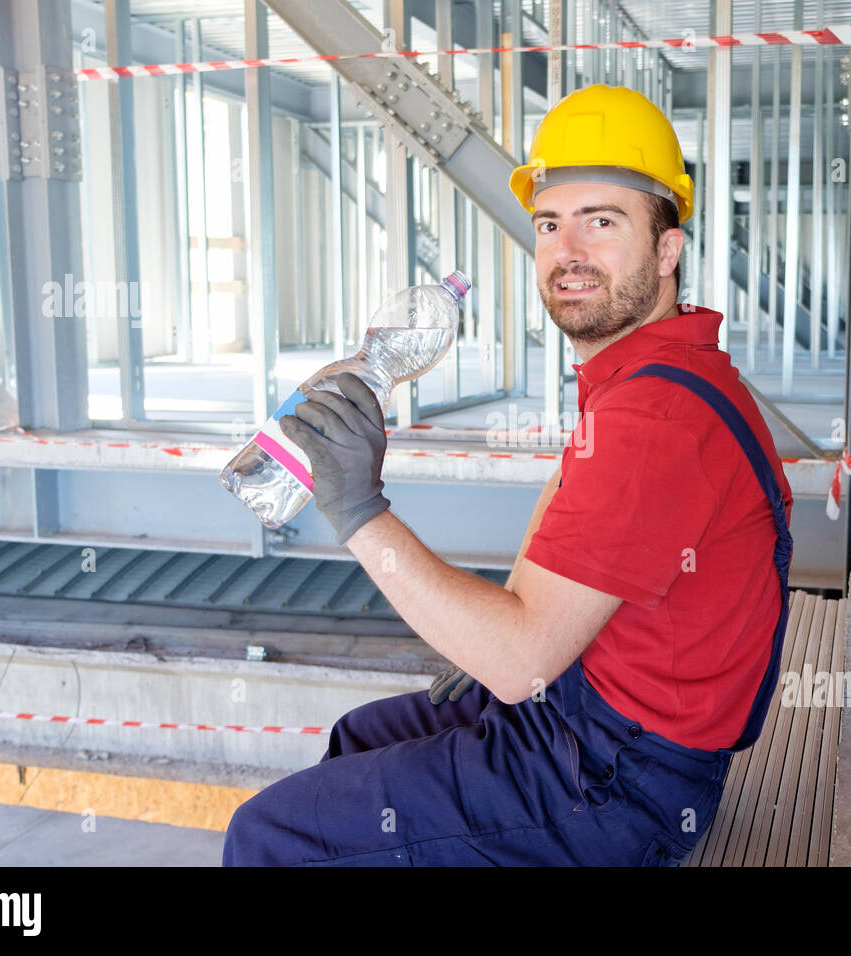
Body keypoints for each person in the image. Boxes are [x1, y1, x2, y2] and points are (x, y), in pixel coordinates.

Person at [221, 83, 793, 867]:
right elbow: (561, 515)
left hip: (619, 782)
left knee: (269, 835)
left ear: (667, 250)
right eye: (550, 224)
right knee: (357, 742)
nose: (569, 251)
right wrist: (481, 637)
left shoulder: (652, 421)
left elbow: (521, 662)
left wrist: (357, 509)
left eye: (604, 220)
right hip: (589, 714)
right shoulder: (649, 371)